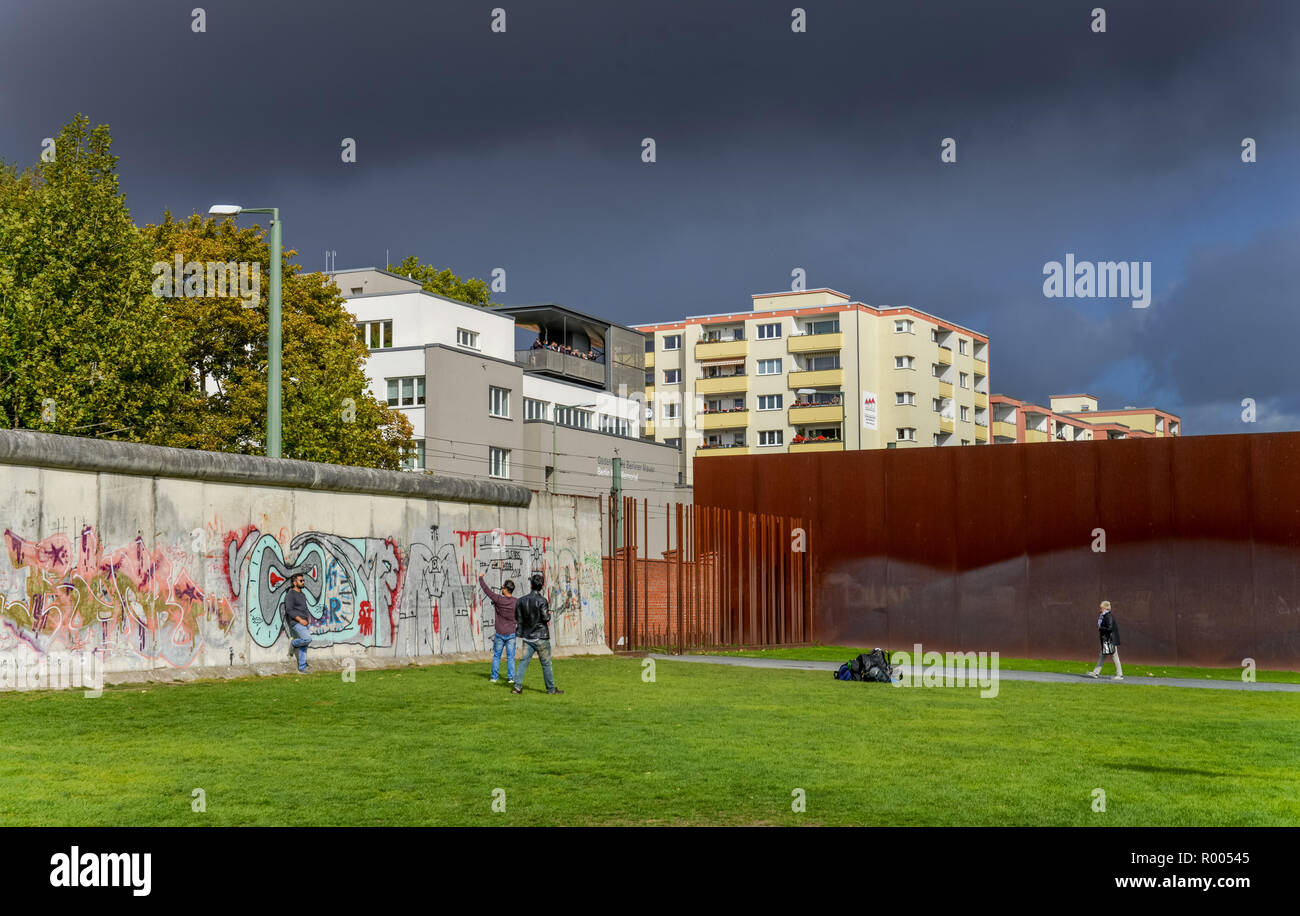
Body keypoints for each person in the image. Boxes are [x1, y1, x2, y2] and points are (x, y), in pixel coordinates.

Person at [512, 573, 563, 695]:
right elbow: (545, 618)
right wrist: (549, 613)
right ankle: (550, 689)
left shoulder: (521, 601)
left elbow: (518, 618)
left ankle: (517, 687)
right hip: (541, 637)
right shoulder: (542, 601)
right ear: (541, 586)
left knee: (523, 662)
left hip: (527, 637)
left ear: (531, 585)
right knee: (546, 664)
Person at [478, 575, 518, 684]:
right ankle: (511, 678)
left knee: (497, 656)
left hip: (500, 632)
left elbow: (487, 590)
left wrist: (481, 578)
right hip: (511, 633)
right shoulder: (516, 602)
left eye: (503, 587)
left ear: (505, 589)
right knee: (511, 657)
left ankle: (494, 677)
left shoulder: (499, 599)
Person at [1086, 600, 1123, 680]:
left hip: (1110, 640)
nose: (1100, 609)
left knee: (1114, 656)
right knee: (1103, 655)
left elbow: (1109, 628)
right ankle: (1095, 673)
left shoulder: (1108, 616)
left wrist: (1101, 628)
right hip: (1108, 640)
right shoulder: (1105, 616)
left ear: (1105, 608)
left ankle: (1119, 675)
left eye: (1101, 608)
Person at [285, 572, 311, 673]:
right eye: (301, 580)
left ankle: (302, 667)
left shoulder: (302, 594)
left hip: (305, 622)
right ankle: (294, 643)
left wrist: (308, 618)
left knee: (304, 645)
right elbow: (289, 610)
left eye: (303, 580)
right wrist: (300, 620)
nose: (303, 582)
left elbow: (304, 608)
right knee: (307, 639)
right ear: (294, 582)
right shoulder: (290, 595)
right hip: (296, 623)